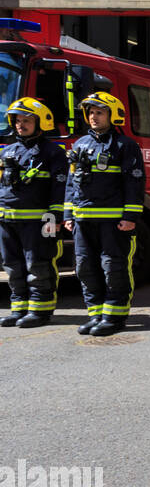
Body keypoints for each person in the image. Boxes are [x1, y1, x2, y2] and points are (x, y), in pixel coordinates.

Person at [63, 92, 145, 336]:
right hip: (83, 220)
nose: (93, 117)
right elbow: (70, 182)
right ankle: (96, 314)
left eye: (99, 112)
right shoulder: (80, 145)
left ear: (113, 115)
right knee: (85, 267)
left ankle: (115, 317)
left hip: (112, 221)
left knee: (113, 267)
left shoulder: (125, 146)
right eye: (90, 113)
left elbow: (134, 183)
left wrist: (130, 217)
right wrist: (68, 214)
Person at [0, 97, 67, 328]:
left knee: (38, 265)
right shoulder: (8, 151)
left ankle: (40, 310)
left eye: (26, 120)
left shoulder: (53, 152)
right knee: (12, 266)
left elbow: (60, 187)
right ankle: (19, 308)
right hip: (8, 221)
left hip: (40, 222)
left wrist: (56, 218)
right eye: (17, 121)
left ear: (41, 122)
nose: (20, 125)